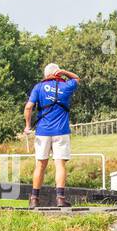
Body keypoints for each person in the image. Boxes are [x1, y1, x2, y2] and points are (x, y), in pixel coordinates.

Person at [23, 63, 80, 208]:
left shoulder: (39, 87)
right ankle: (60, 198)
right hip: (61, 131)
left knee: (40, 165)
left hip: (42, 132)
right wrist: (64, 71)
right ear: (58, 74)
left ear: (45, 74)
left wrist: (28, 126)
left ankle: (34, 199)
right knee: (60, 164)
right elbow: (77, 78)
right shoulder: (66, 86)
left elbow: (29, 107)